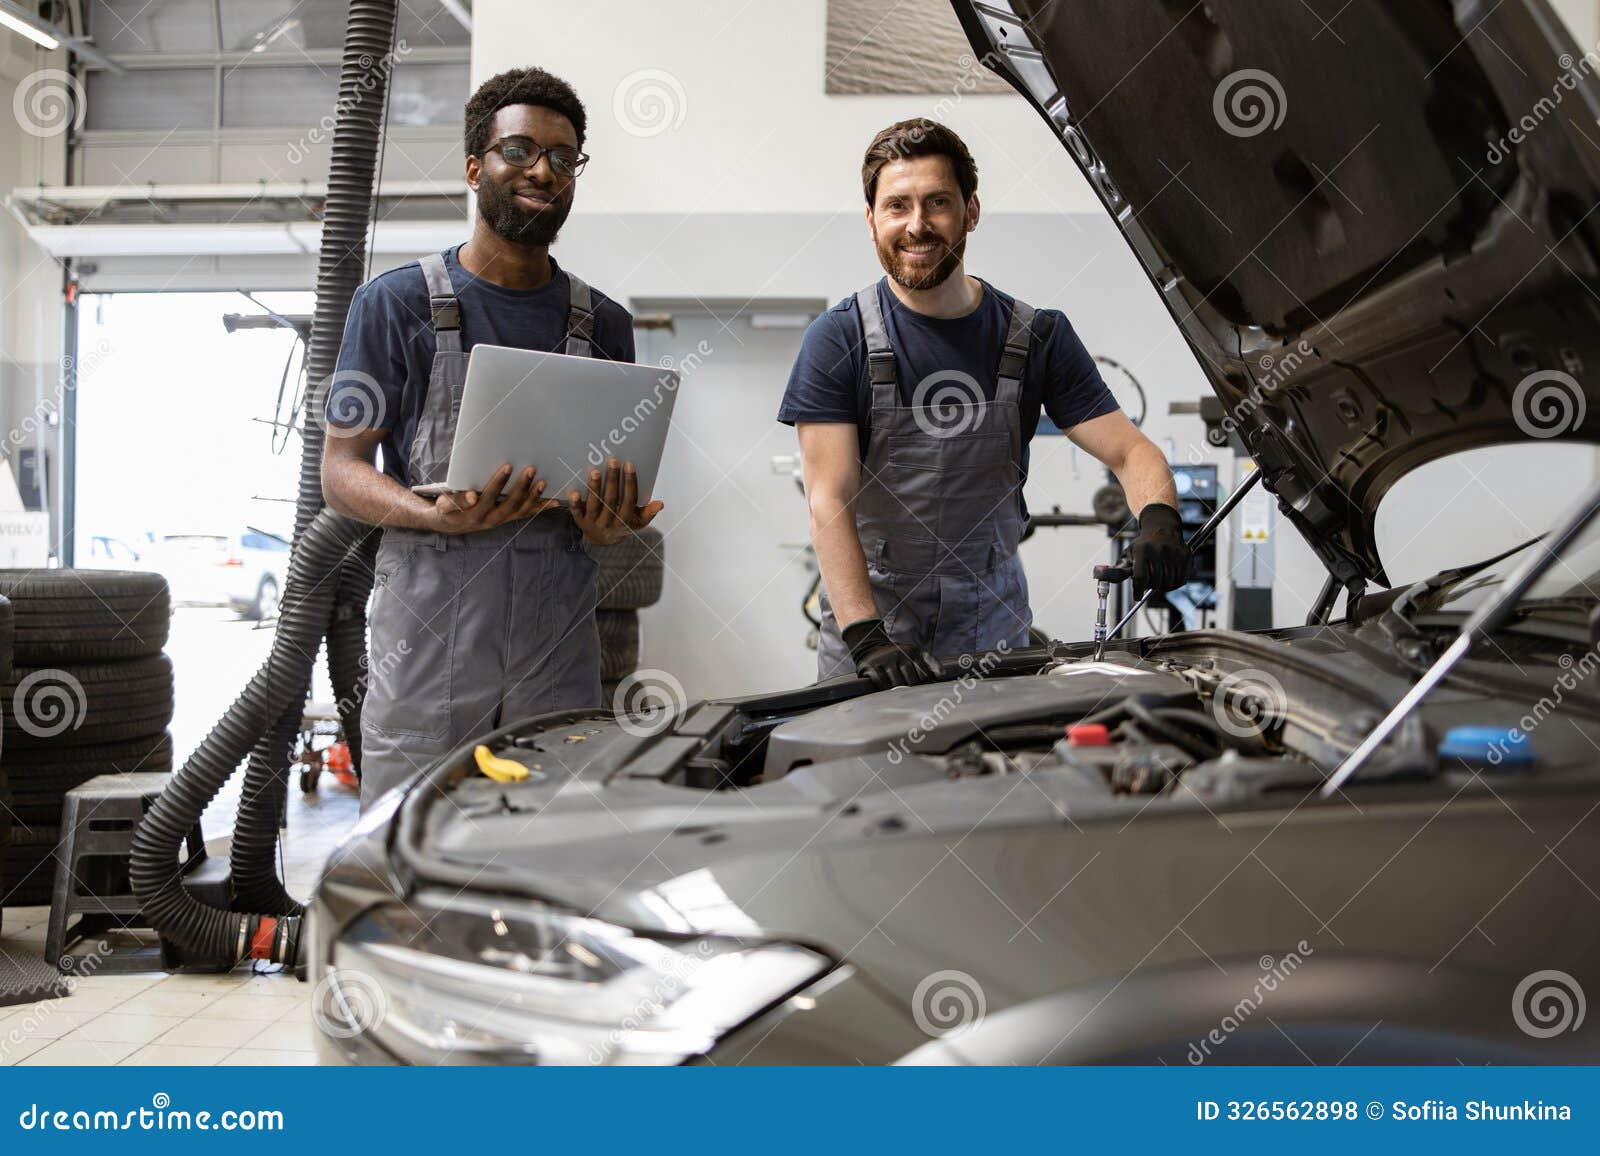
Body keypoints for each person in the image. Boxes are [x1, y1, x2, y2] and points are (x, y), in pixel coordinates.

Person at [323, 67, 662, 807]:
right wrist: (428, 513)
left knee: (547, 854)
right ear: (476, 166)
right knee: (408, 852)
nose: (543, 170)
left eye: (564, 157)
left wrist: (609, 527)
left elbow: (600, 505)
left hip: (556, 645)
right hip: (429, 636)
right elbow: (339, 471)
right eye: (520, 150)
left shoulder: (604, 324)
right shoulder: (393, 304)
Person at [778, 120, 1186, 690]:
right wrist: (865, 634)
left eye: (937, 203)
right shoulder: (838, 339)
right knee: (862, 773)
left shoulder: (1036, 336)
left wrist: (1159, 515)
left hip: (991, 625)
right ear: (871, 219)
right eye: (897, 206)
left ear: (971, 212)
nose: (916, 225)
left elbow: (1129, 450)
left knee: (991, 771)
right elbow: (829, 496)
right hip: (873, 623)